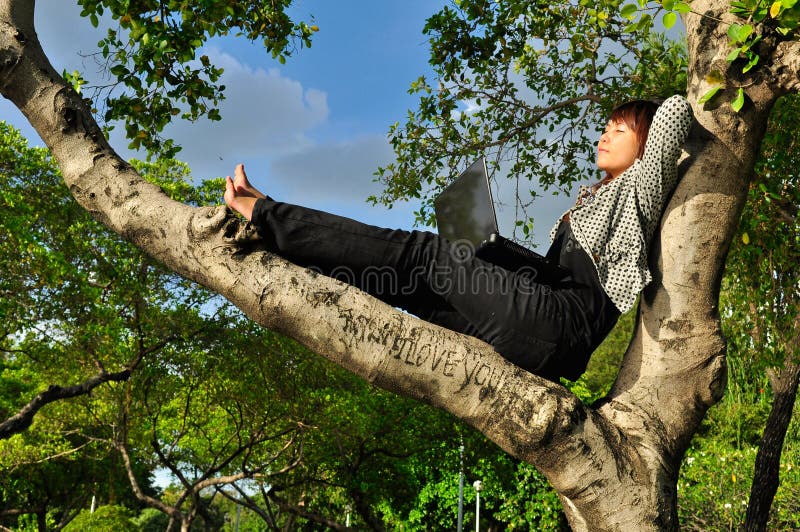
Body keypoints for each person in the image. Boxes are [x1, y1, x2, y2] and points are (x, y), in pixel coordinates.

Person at [224, 95, 693, 382]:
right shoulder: (591, 202)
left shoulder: (641, 188)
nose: (602, 137)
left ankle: (268, 215)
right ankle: (287, 249)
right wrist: (492, 250)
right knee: (410, 287)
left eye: (618, 129)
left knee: (425, 253)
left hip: (563, 328)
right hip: (543, 325)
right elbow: (552, 279)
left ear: (649, 143)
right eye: (604, 128)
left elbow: (677, 110)